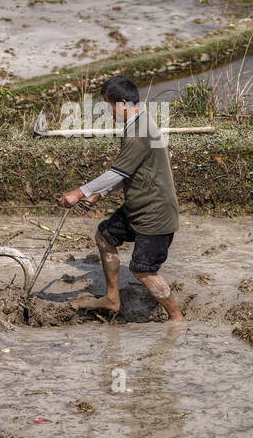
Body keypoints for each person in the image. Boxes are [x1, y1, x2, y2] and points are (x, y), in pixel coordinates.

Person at [59, 75, 183, 322]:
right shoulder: (139, 123)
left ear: (123, 103)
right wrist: (99, 192)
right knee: (105, 236)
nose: (109, 111)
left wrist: (79, 192)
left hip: (155, 213)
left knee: (143, 270)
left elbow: (118, 172)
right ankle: (112, 299)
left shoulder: (140, 131)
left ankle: (177, 318)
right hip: (139, 206)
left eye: (110, 105)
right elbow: (129, 171)